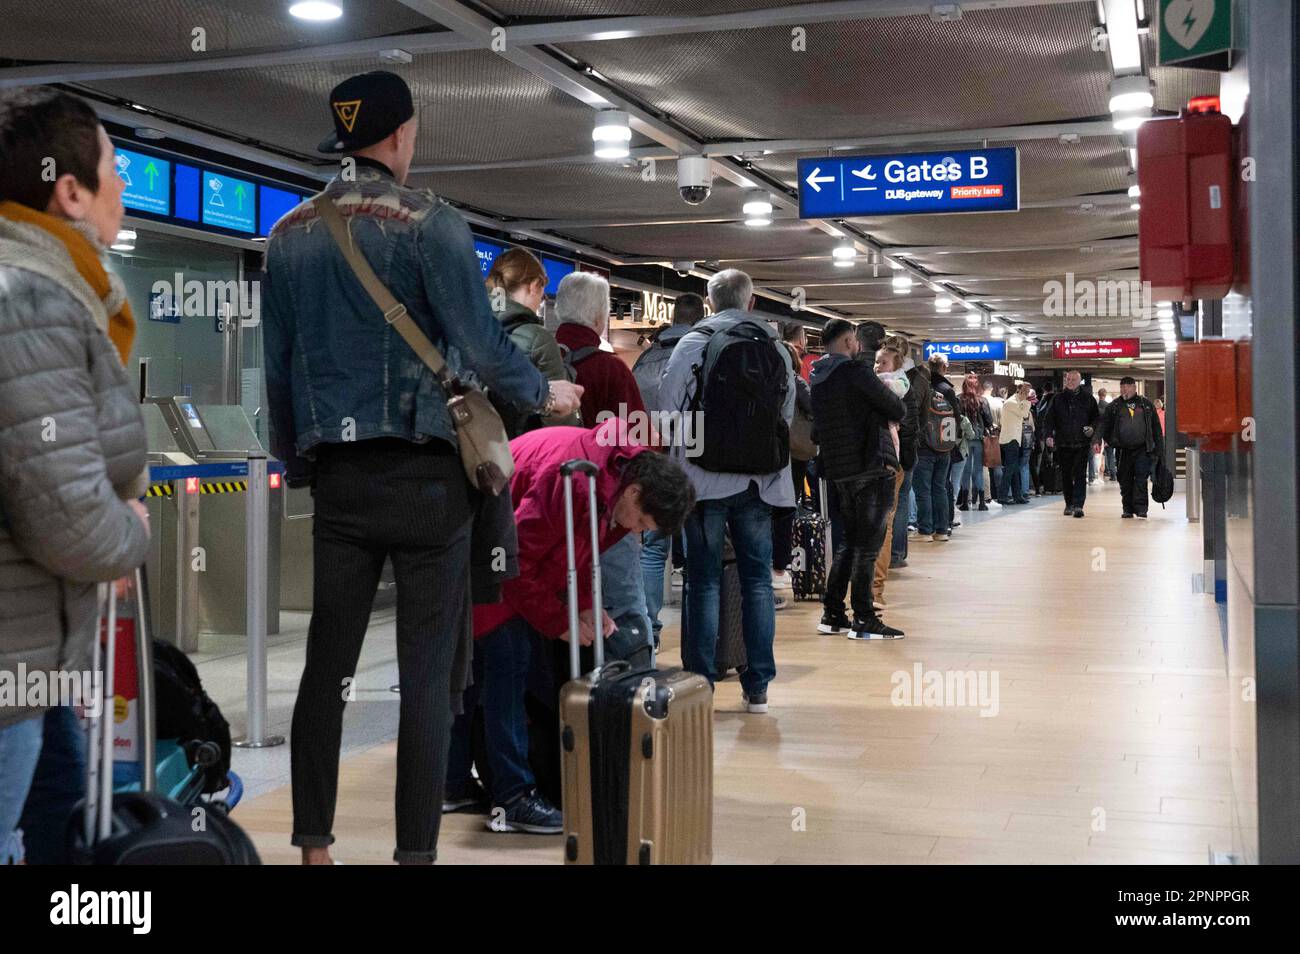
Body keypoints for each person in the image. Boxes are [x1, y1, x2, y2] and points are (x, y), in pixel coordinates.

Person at [263, 70, 582, 865]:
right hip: (429, 481)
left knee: (324, 670)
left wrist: (300, 463)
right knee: (427, 674)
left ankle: (312, 846)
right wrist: (546, 393)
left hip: (339, 478)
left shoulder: (290, 233)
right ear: (402, 135)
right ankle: (414, 857)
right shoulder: (431, 223)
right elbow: (479, 345)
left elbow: (278, 366)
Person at [0, 87, 152, 864]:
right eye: (114, 171)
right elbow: (58, 503)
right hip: (12, 647)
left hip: (36, 646)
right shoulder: (32, 297)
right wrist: (125, 533)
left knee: (53, 808)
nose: (123, 188)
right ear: (70, 191)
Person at [444, 418, 694, 832]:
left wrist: (584, 607)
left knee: (477, 674)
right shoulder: (576, 482)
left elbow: (577, 552)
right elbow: (516, 561)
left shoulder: (612, 487)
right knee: (508, 661)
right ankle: (513, 798)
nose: (637, 533)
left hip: (491, 547)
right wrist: (559, 619)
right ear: (635, 493)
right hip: (483, 553)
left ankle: (452, 783)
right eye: (643, 524)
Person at [660, 269, 795, 713]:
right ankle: (758, 687)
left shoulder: (694, 343)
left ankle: (700, 686)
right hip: (759, 482)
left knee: (703, 581)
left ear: (709, 300)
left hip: (701, 482)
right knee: (757, 581)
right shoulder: (776, 347)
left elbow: (668, 409)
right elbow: (786, 414)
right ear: (752, 303)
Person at [553, 271, 654, 660]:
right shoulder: (611, 369)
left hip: (548, 509)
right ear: (600, 316)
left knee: (563, 603)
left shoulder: (533, 361)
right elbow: (639, 440)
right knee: (624, 604)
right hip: (608, 511)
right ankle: (628, 694)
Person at [809, 320, 905, 639]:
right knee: (868, 544)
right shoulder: (856, 372)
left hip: (838, 470)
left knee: (848, 542)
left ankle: (833, 612)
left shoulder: (817, 378)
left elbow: (815, 430)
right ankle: (864, 616)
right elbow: (896, 407)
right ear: (851, 342)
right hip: (870, 465)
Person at [633, 292, 706, 646]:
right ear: (701, 317)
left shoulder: (648, 356)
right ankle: (699, 635)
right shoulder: (703, 353)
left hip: (651, 463)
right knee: (697, 551)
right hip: (696, 462)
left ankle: (650, 631)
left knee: (652, 549)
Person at [485, 247, 581, 436]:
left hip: (469, 447)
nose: (541, 301)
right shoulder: (538, 339)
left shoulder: (470, 328)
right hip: (519, 453)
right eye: (542, 292)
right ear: (534, 286)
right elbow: (560, 422)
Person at [771, 323, 816, 610]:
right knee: (786, 507)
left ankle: (774, 567)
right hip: (793, 453)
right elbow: (812, 407)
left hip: (768, 453)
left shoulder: (767, 382)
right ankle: (778, 567)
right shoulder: (796, 382)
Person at [871, 344, 913, 609]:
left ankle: (874, 588)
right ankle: (873, 589)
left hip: (888, 458)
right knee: (882, 523)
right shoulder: (872, 381)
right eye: (876, 361)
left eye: (883, 362)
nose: (878, 366)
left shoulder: (897, 384)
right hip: (887, 458)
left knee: (883, 523)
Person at [1101, 376, 1164, 519]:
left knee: (1141, 478)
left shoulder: (1146, 404)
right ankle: (1127, 509)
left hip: (1143, 449)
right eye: (1122, 387)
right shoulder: (1115, 406)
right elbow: (1104, 425)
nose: (1125, 390)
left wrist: (1159, 448)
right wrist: (1108, 440)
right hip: (1123, 450)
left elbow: (1156, 428)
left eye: (1128, 387)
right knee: (1125, 479)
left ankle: (1141, 508)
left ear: (1134, 388)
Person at [1040, 369, 1100, 518]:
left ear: (1079, 381)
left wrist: (1092, 429)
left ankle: (1079, 505)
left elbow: (1097, 418)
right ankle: (1069, 503)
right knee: (1066, 475)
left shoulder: (1088, 399)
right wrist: (1048, 435)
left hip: (1082, 443)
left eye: (1074, 380)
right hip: (1063, 443)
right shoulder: (1057, 398)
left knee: (1080, 474)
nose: (1070, 382)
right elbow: (1049, 419)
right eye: (1068, 379)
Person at [886, 335, 924, 569]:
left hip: (897, 449)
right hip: (910, 448)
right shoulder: (919, 378)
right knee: (901, 499)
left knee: (894, 503)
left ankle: (893, 552)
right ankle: (898, 552)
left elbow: (907, 418)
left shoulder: (894, 383)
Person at [913, 353, 959, 542]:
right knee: (939, 488)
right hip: (944, 447)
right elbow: (957, 416)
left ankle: (925, 531)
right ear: (944, 368)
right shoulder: (947, 390)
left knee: (923, 490)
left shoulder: (922, 390)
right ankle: (941, 530)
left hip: (925, 446)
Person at [957, 372, 994, 511]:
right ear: (977, 385)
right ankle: (982, 502)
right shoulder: (982, 401)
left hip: (964, 439)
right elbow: (989, 420)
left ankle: (965, 502)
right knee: (978, 470)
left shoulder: (958, 399)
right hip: (979, 439)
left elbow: (957, 418)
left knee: (965, 470)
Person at [998, 381, 1033, 505]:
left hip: (1014, 439)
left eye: (1028, 392)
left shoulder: (1018, 402)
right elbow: (1024, 414)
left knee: (1015, 469)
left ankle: (1017, 496)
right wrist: (1027, 401)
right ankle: (1002, 496)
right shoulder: (1011, 402)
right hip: (1009, 439)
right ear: (1020, 390)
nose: (1028, 394)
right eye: (1026, 391)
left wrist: (1025, 401)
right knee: (1009, 469)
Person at [1096, 387, 1117, 481]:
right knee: (1110, 454)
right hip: (1108, 433)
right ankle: (1113, 474)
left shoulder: (1096, 407)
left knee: (1098, 455)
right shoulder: (1109, 406)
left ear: (1098, 395)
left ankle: (1106, 470)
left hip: (1099, 433)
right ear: (1105, 395)